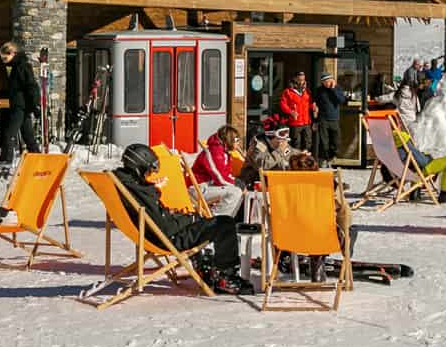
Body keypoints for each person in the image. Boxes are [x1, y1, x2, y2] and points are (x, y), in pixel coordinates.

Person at [114, 144, 246, 293]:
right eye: (148, 170)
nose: (149, 175)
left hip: (152, 235)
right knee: (225, 223)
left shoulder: (125, 185)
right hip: (168, 239)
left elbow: (158, 218)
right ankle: (226, 277)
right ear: (139, 168)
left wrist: (179, 216)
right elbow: (167, 227)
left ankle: (204, 265)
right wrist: (189, 219)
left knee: (203, 222)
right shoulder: (140, 193)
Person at [0, 41, 42, 169]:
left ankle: (5, 162)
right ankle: (38, 160)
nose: (4, 61)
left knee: (9, 133)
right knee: (28, 136)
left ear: (13, 53)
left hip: (21, 106)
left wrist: (36, 105)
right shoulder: (16, 67)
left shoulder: (22, 67)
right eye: (2, 58)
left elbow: (31, 86)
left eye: (5, 58)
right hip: (20, 105)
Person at [192, 125, 245, 216]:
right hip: (199, 188)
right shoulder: (214, 152)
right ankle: (215, 220)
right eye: (236, 140)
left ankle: (228, 220)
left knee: (239, 191)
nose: (238, 144)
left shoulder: (224, 152)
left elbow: (226, 174)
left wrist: (238, 183)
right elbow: (219, 178)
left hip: (210, 185)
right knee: (235, 192)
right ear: (229, 140)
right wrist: (236, 183)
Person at [312, 72, 347, 162]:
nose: (327, 83)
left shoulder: (337, 89)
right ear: (322, 82)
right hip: (323, 119)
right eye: (325, 81)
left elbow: (341, 100)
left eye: (328, 81)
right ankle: (325, 159)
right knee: (324, 142)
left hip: (334, 119)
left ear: (332, 81)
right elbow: (315, 104)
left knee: (336, 141)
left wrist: (333, 89)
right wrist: (315, 120)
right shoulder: (319, 90)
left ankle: (332, 156)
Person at [278, 72, 315, 154]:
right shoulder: (288, 91)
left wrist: (314, 107)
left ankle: (305, 158)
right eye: (300, 79)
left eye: (303, 79)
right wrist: (291, 112)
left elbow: (310, 103)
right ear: (295, 79)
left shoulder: (307, 91)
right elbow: (283, 104)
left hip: (306, 121)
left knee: (308, 141)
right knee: (296, 142)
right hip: (295, 121)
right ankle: (295, 158)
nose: (302, 81)